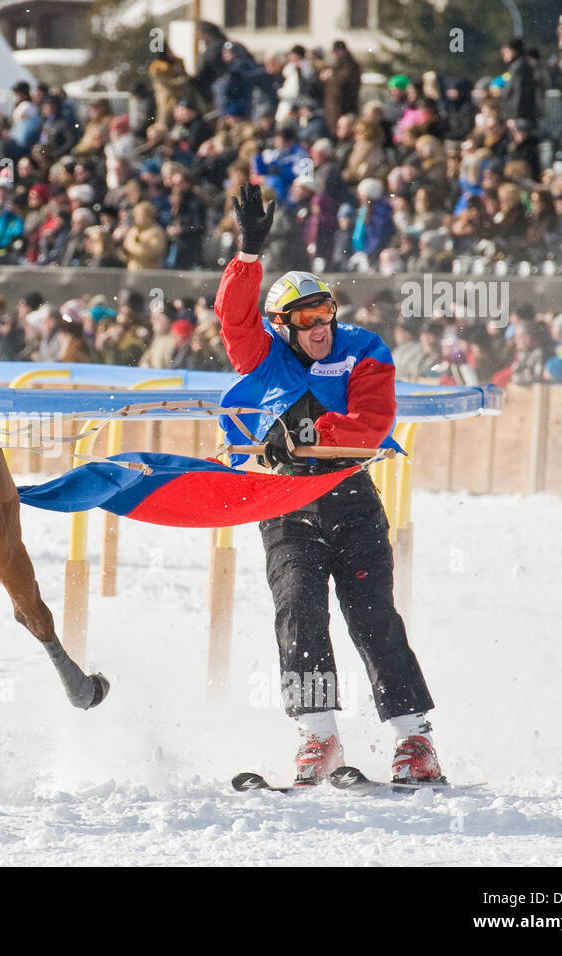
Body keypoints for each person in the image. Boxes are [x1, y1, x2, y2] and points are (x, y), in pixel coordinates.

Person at [215, 183, 441, 786]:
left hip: (349, 498)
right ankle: (318, 739)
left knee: (372, 617)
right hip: (285, 501)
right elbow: (232, 316)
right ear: (282, 326)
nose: (320, 327)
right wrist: (248, 254)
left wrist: (305, 428)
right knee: (298, 614)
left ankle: (414, 741)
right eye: (306, 320)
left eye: (326, 315)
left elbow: (370, 424)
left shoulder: (365, 350)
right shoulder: (262, 355)